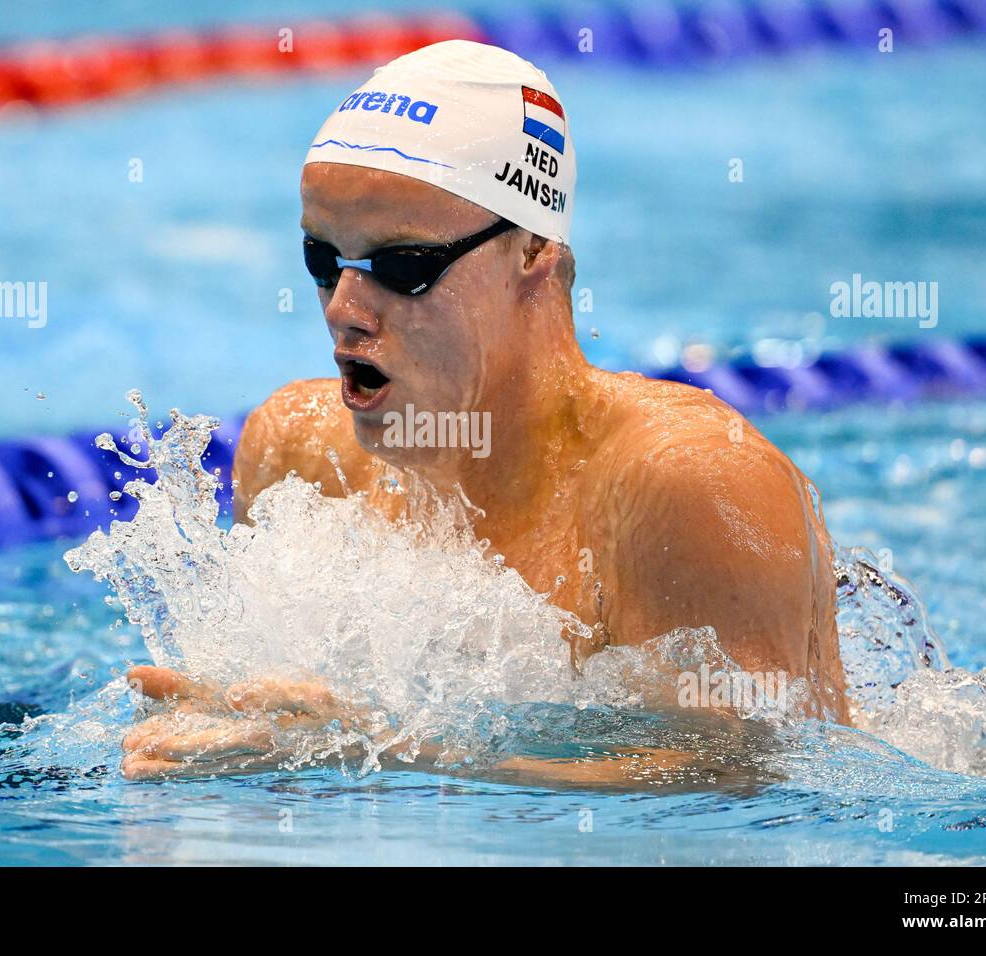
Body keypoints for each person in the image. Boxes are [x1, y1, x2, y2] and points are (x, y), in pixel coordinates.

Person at [122, 40, 848, 784]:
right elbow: (297, 727)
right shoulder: (301, 455)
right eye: (322, 260)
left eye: (403, 267)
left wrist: (393, 755)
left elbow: (746, 778)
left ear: (533, 246)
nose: (344, 311)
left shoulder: (686, 484)